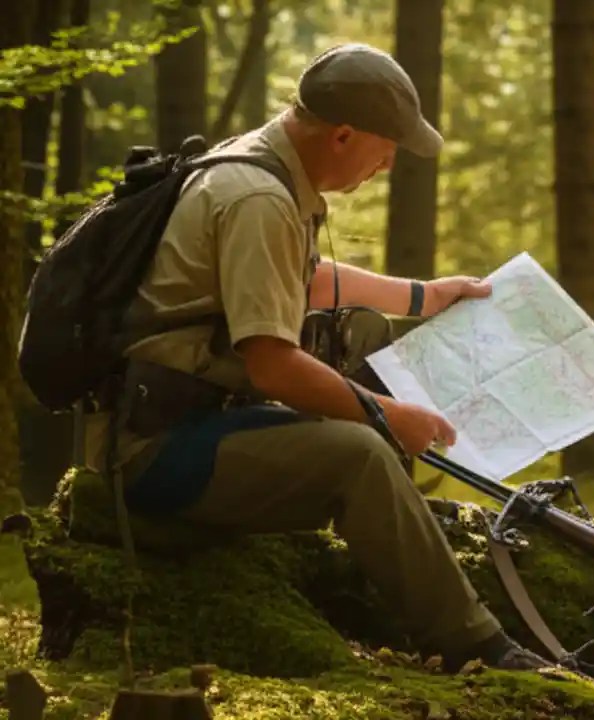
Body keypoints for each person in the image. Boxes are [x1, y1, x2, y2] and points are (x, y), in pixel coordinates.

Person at [83, 43, 551, 672]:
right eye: (386, 148)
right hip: (157, 448)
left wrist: (421, 296)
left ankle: (409, 551)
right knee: (361, 455)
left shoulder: (260, 167)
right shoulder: (258, 198)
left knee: (366, 349)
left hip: (193, 423)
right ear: (343, 135)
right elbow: (272, 366)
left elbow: (300, 277)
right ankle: (478, 647)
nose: (386, 166)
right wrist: (388, 418)